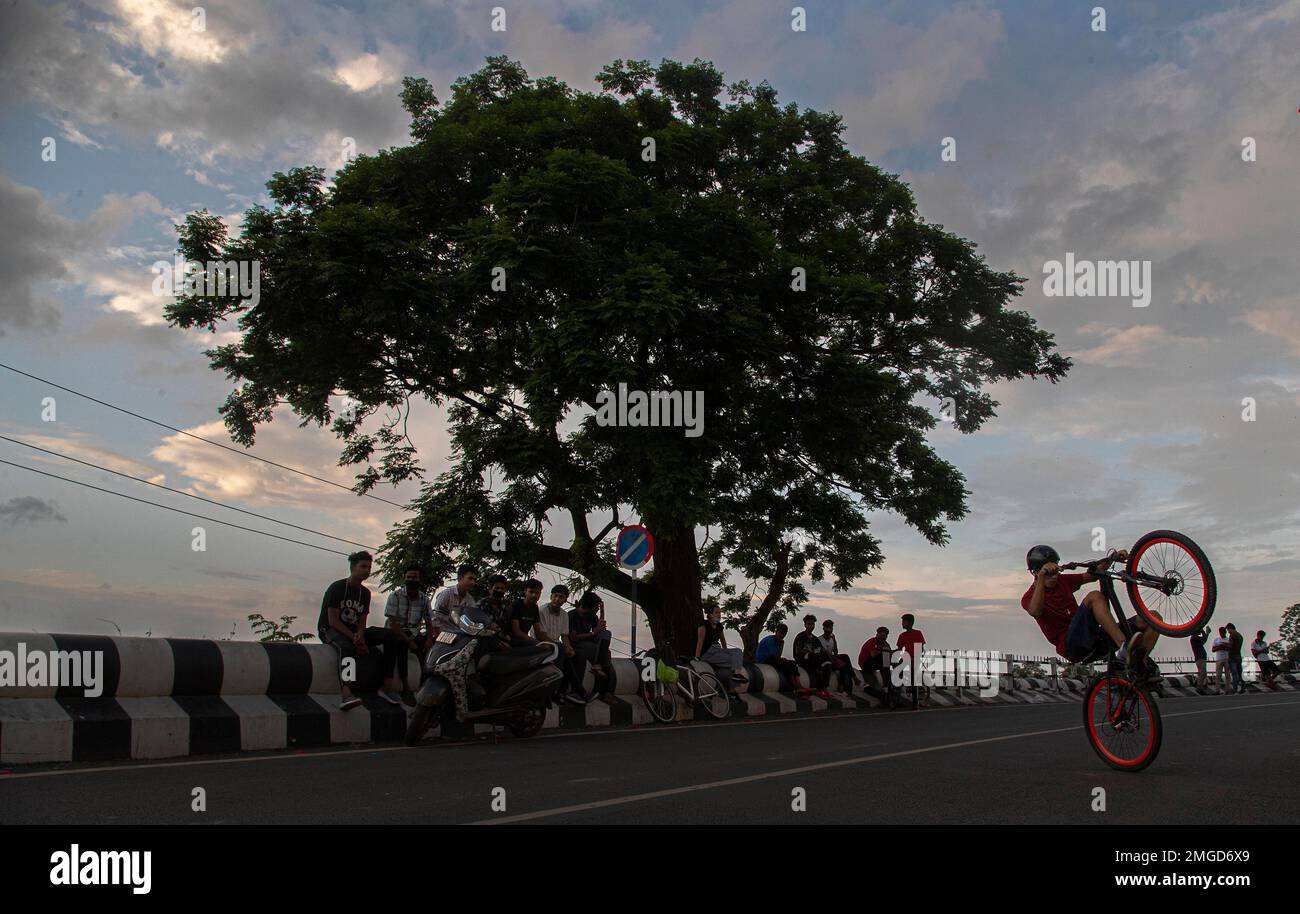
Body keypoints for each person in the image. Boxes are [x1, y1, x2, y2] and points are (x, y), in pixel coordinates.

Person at [1021, 545, 1163, 685]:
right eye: (1048, 574)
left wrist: (1113, 558)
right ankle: (1124, 648)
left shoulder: (1062, 581)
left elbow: (1091, 576)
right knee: (1094, 596)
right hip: (1072, 645)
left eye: (1055, 572)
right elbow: (1035, 611)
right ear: (1035, 572)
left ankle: (1138, 666)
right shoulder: (1029, 597)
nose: (1053, 577)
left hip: (1092, 635)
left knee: (1153, 618)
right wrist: (1041, 579)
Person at [317, 551, 405, 710]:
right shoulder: (337, 588)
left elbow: (362, 621)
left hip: (354, 631)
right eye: (363, 566)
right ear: (353, 567)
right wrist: (355, 639)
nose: (366, 570)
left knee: (390, 636)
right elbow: (333, 621)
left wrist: (361, 637)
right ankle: (346, 691)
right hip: (329, 629)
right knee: (346, 648)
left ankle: (387, 684)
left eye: (369, 567)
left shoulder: (365, 593)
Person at [384, 564, 433, 705]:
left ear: (420, 579)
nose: (412, 580)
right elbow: (393, 623)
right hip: (396, 632)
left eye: (415, 577)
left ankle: (426, 684)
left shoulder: (424, 599)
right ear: (404, 578)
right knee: (402, 645)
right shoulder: (395, 596)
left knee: (431, 649)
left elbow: (429, 621)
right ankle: (406, 686)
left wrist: (429, 640)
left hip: (413, 632)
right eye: (409, 577)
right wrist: (409, 641)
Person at [536, 585, 589, 703]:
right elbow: (541, 635)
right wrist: (560, 646)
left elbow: (564, 635)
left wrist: (569, 647)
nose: (557, 599)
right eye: (555, 596)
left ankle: (570, 691)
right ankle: (572, 691)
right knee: (561, 652)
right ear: (551, 596)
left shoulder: (564, 615)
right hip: (542, 645)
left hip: (556, 645)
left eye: (561, 597)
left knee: (579, 657)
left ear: (565, 600)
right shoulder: (542, 611)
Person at [695, 603, 746, 696]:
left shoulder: (719, 626)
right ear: (710, 615)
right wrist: (697, 657)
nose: (719, 614)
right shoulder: (704, 626)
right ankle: (732, 688)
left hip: (718, 650)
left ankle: (736, 675)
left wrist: (726, 652)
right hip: (708, 653)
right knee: (733, 662)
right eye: (716, 612)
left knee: (738, 651)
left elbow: (723, 641)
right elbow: (700, 642)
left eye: (720, 612)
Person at [569, 591, 613, 699]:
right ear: (590, 606)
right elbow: (573, 637)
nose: (597, 609)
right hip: (577, 644)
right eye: (596, 607)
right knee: (606, 654)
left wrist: (602, 611)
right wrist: (593, 633)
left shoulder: (592, 616)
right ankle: (604, 690)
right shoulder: (572, 615)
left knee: (606, 634)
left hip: (589, 641)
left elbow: (601, 629)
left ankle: (597, 665)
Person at [755, 623, 805, 692]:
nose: (782, 636)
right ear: (776, 632)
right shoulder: (770, 640)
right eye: (780, 633)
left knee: (793, 663)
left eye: (784, 634)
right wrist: (781, 646)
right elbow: (774, 656)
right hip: (763, 660)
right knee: (785, 663)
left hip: (772, 659)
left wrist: (782, 645)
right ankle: (795, 685)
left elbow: (778, 656)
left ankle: (799, 683)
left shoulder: (779, 642)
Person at [792, 614, 833, 700]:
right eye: (809, 624)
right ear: (805, 625)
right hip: (803, 660)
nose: (811, 626)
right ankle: (819, 689)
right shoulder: (800, 637)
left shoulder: (815, 639)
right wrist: (811, 652)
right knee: (816, 666)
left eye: (812, 624)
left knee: (827, 664)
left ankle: (825, 688)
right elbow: (798, 652)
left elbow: (822, 650)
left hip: (814, 659)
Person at [432, 564, 480, 634]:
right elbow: (435, 617)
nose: (473, 582)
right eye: (470, 578)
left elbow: (471, 623)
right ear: (461, 578)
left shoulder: (471, 600)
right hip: (442, 634)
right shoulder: (446, 594)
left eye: (475, 580)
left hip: (459, 637)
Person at [818, 619, 859, 693]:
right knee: (844, 666)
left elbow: (836, 652)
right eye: (827, 627)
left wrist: (834, 641)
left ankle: (854, 678)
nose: (829, 630)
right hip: (825, 661)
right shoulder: (819, 639)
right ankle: (841, 685)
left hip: (832, 658)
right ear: (824, 628)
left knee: (845, 657)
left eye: (831, 628)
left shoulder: (831, 639)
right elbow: (823, 654)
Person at [896, 614, 928, 705]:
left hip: (914, 658)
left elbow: (920, 649)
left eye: (903, 622)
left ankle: (912, 691)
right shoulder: (902, 635)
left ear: (909, 623)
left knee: (912, 669)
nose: (902, 624)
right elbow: (899, 649)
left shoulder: (917, 633)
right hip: (907, 658)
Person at [478, 574, 513, 644]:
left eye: (502, 588)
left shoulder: (503, 607)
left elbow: (505, 628)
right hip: (484, 639)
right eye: (497, 588)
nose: (499, 590)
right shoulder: (481, 605)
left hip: (500, 639)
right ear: (490, 589)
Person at [508, 579, 545, 644]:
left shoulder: (535, 608)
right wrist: (535, 642)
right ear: (525, 592)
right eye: (531, 592)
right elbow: (516, 631)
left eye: (537, 593)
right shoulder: (516, 605)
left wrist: (552, 643)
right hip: (511, 639)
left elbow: (538, 632)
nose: (534, 595)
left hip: (524, 640)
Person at [858, 627, 892, 696]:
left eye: (885, 636)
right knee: (882, 658)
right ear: (877, 635)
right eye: (881, 635)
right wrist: (882, 649)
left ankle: (887, 684)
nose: (883, 638)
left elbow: (889, 654)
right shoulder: (872, 642)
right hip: (866, 663)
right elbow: (873, 654)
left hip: (875, 664)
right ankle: (885, 684)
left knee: (886, 660)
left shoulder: (885, 644)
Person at [1211, 626, 1231, 694]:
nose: (1221, 634)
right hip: (1219, 659)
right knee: (1218, 675)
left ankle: (1227, 690)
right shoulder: (1216, 640)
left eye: (1222, 632)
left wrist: (1225, 646)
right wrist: (1219, 647)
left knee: (1227, 675)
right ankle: (1217, 690)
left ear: (1225, 632)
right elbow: (1213, 649)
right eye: (1220, 632)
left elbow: (1231, 648)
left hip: (1227, 658)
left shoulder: (1228, 639)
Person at [1226, 623, 1245, 694]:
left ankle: (1234, 689)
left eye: (1228, 629)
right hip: (1238, 655)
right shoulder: (1240, 635)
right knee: (1240, 673)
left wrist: (1224, 644)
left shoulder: (1232, 635)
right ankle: (1243, 687)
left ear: (1231, 628)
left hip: (1232, 656)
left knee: (1234, 673)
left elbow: (1230, 645)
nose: (1228, 631)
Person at [1189, 626, 1209, 693]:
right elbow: (1204, 639)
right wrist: (1205, 632)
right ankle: (1199, 688)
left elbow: (1203, 640)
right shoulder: (1194, 637)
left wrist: (1204, 631)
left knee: (1202, 673)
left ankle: (1200, 687)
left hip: (1201, 657)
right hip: (1200, 658)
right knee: (1202, 673)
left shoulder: (1195, 638)